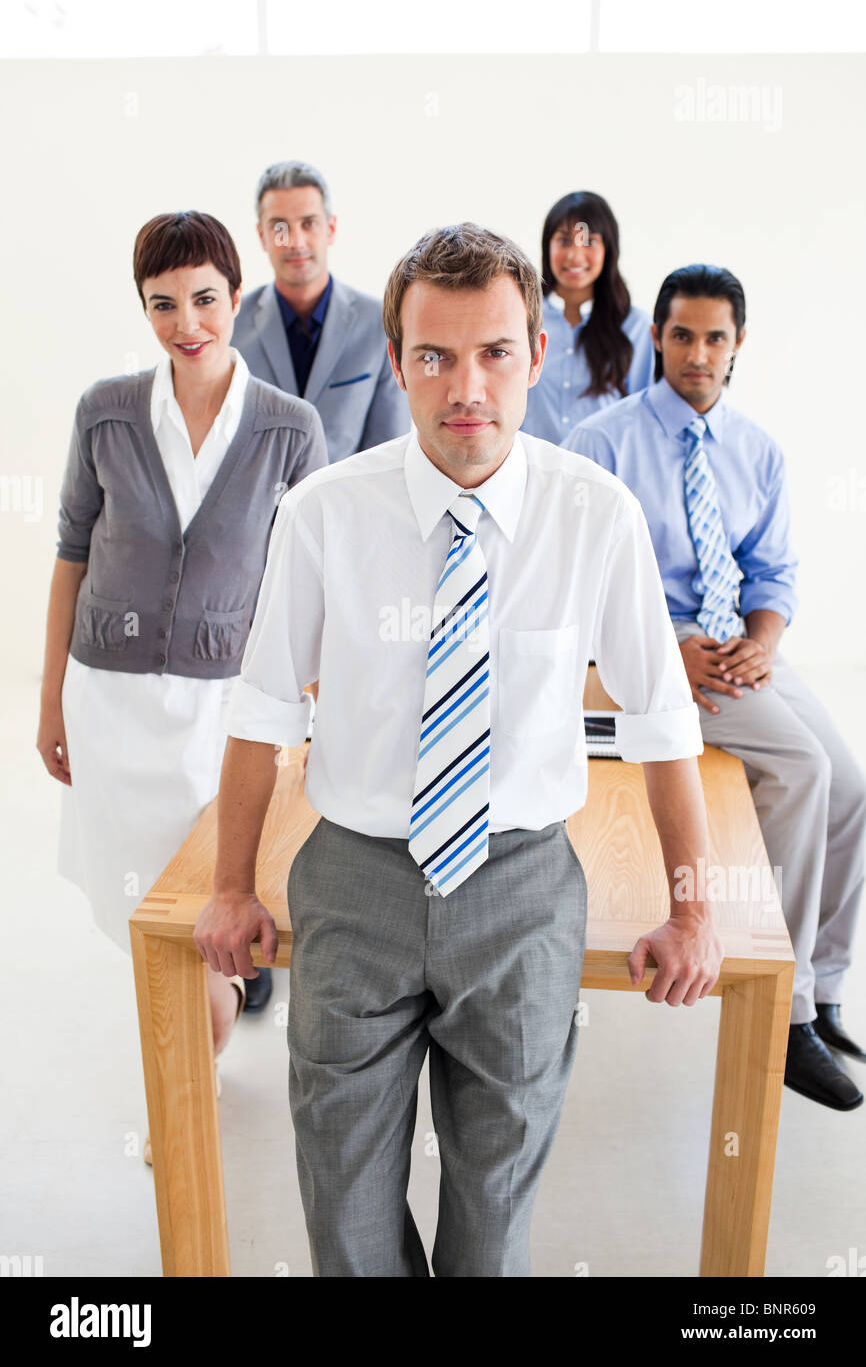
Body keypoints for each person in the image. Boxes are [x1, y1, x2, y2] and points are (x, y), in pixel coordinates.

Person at [193, 222, 722, 1278]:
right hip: (355, 884)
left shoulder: (595, 515)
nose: (464, 387)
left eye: (494, 353)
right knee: (344, 1211)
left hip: (520, 890)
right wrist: (231, 886)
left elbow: (663, 722)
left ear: (535, 355)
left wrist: (694, 909)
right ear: (397, 361)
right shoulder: (323, 513)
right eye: (433, 356)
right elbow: (262, 711)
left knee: (492, 1221)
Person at [38, 211, 328, 1160]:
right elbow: (72, 553)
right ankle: (194, 1071)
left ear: (237, 297)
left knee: (206, 905)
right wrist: (50, 701)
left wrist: (313, 715)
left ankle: (189, 1081)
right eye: (163, 305)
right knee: (145, 923)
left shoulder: (289, 430)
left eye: (204, 299)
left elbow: (310, 582)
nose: (186, 323)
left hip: (223, 715)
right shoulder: (106, 411)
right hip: (109, 704)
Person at [564, 263, 866, 1112]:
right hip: (652, 650)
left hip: (738, 644)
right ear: (657, 338)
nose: (698, 353)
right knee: (802, 769)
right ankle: (784, 1015)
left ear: (738, 345)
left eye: (715, 338)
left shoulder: (756, 450)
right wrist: (666, 650)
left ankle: (826, 985)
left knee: (851, 783)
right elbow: (580, 582)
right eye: (682, 335)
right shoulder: (602, 443)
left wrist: (762, 645)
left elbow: (774, 570)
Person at [233, 159, 410, 462]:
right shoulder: (232, 326)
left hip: (349, 493)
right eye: (280, 227)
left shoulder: (379, 323)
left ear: (330, 229)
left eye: (309, 224)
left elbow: (388, 452)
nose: (295, 241)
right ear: (262, 236)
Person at [521, 191, 654, 447]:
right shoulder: (522, 317)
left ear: (608, 249)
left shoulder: (636, 327)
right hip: (530, 468)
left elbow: (644, 420)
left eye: (589, 241)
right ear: (547, 246)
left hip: (605, 468)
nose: (575, 255)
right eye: (564, 241)